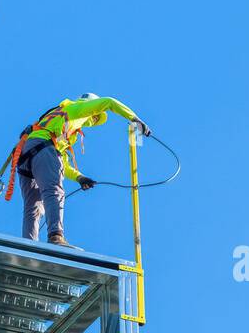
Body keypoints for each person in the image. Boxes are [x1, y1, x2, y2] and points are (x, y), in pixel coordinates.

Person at [15, 93, 149, 245]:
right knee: (54, 191)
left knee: (34, 207)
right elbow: (109, 102)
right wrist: (134, 118)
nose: (93, 120)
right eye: (95, 116)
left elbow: (62, 165)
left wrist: (79, 177)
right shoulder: (77, 109)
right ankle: (56, 236)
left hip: (27, 152)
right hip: (42, 148)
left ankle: (28, 244)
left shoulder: (62, 119)